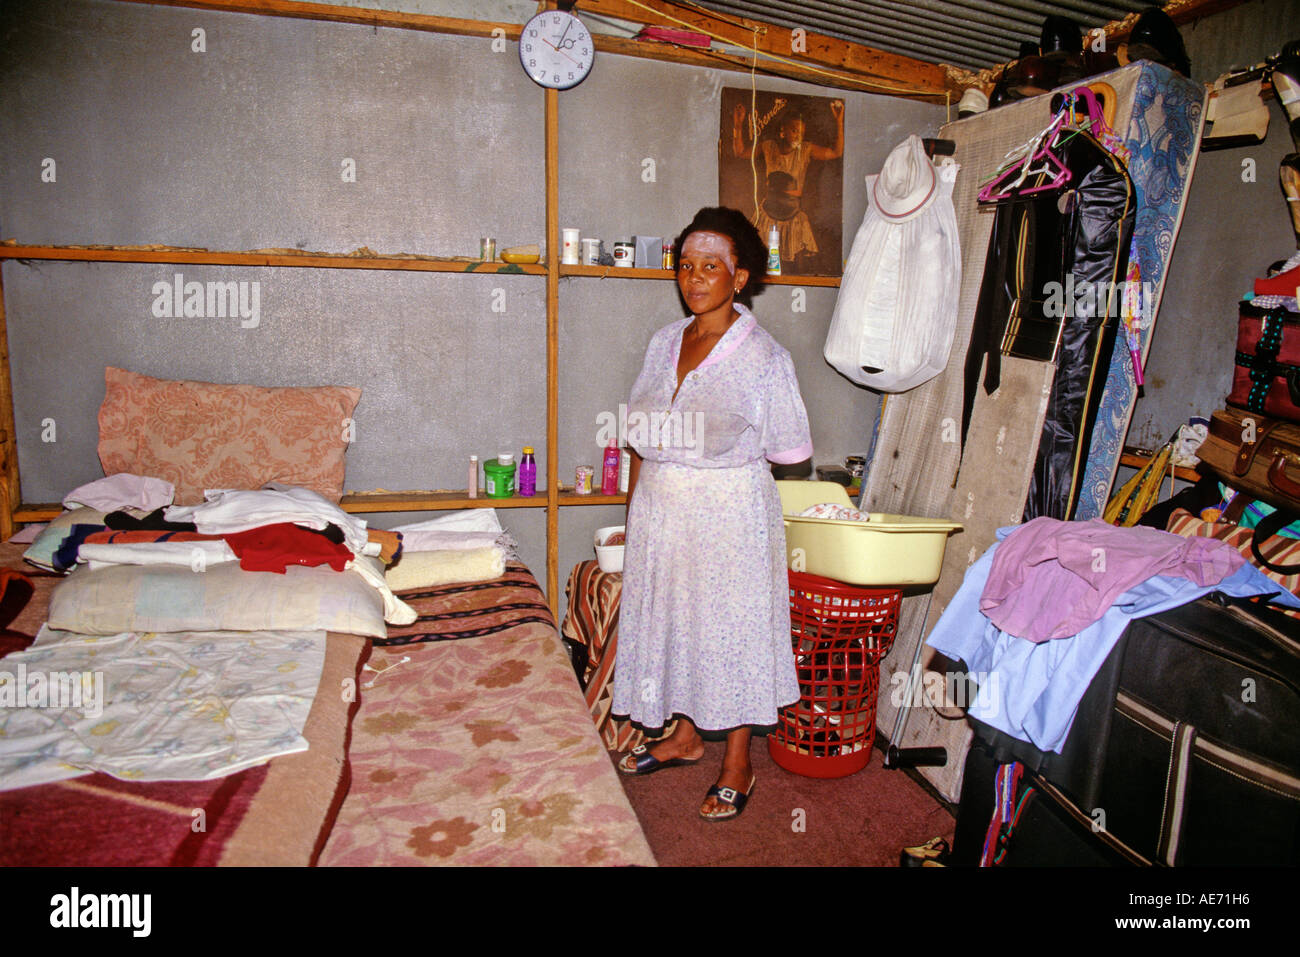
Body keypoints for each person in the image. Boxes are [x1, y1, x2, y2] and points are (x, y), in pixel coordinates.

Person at [612, 206, 813, 821]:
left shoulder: (766, 360)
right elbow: (641, 436)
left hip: (729, 520)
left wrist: (725, 482)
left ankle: (737, 762)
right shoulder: (662, 342)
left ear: (740, 276)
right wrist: (634, 513)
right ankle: (683, 734)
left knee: (733, 635)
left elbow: (790, 454)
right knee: (673, 623)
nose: (695, 279)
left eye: (711, 267)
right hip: (660, 515)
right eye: (686, 266)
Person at [732, 101, 844, 270]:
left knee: (797, 263)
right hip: (768, 214)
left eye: (801, 132)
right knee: (765, 264)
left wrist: (839, 122)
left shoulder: (806, 150)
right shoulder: (769, 146)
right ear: (782, 131)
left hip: (793, 214)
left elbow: (836, 152)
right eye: (793, 130)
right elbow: (740, 152)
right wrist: (738, 125)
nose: (798, 135)